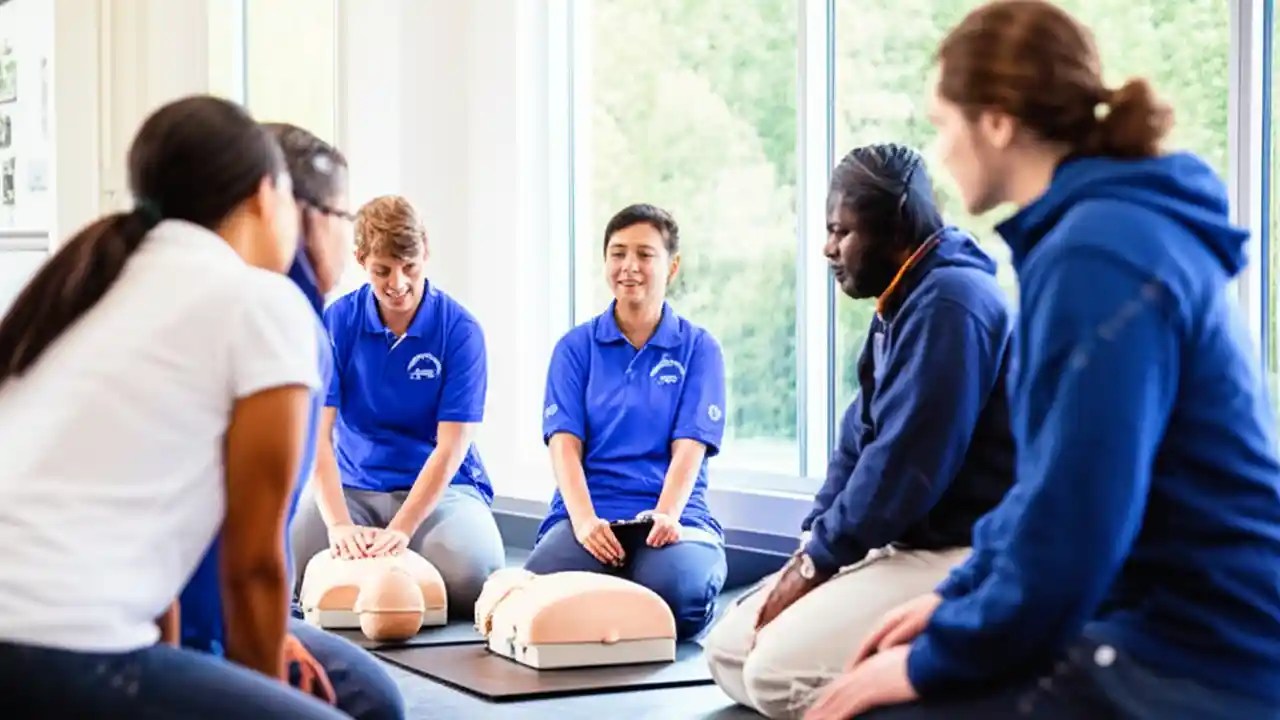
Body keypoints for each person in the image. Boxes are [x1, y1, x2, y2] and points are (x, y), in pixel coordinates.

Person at [805, 2, 1280, 719]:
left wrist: (942, 658)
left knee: (871, 708)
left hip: (1201, 651)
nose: (941, 153)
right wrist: (953, 597)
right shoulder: (1099, 233)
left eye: (944, 125)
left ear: (995, 122)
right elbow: (1043, 491)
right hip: (1157, 618)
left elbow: (1076, 520)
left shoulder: (1096, 254)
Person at [0, 95, 345, 718]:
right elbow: (253, 567)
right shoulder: (260, 303)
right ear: (267, 196)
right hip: (57, 645)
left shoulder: (90, 284)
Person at [703, 143, 1015, 718]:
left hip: (961, 552)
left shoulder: (952, 304)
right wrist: (811, 545)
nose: (828, 248)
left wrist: (818, 565)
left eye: (840, 231)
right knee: (726, 652)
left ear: (895, 230)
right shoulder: (900, 306)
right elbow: (857, 446)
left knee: (774, 676)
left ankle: (954, 671)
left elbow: (902, 469)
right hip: (904, 544)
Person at [178, 123, 404, 719]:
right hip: (161, 624)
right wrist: (264, 661)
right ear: (289, 210)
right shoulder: (282, 318)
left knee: (371, 691)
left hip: (177, 606)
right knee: (369, 704)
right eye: (342, 217)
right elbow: (248, 550)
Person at [290, 194, 505, 619]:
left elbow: (451, 447)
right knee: (292, 564)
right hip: (354, 487)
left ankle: (392, 571)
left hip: (443, 491)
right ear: (360, 260)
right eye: (382, 270)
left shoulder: (460, 331)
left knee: (470, 577)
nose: (398, 282)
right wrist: (338, 525)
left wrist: (402, 528)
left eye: (410, 267)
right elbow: (317, 434)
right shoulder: (337, 322)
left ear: (426, 251)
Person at [525, 203, 728, 641]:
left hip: (672, 516)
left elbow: (690, 447)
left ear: (671, 266)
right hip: (590, 514)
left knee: (678, 600)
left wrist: (667, 514)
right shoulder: (575, 348)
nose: (629, 267)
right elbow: (564, 445)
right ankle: (624, 589)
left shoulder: (699, 349)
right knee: (539, 596)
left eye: (644, 254)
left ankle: (639, 582)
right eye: (617, 253)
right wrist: (583, 522)